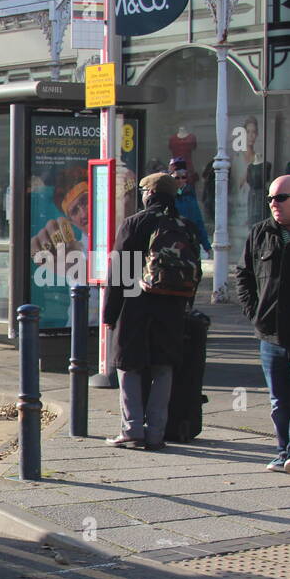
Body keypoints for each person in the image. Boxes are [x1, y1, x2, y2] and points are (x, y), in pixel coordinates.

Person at [103, 172, 201, 450]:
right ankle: (156, 432)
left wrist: (110, 314)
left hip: (135, 301)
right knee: (164, 365)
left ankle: (132, 429)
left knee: (128, 365)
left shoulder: (136, 223)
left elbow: (119, 271)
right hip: (173, 304)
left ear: (148, 195)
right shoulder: (186, 225)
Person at [235, 173, 290, 472]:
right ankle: (283, 452)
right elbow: (243, 274)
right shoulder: (260, 233)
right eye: (270, 197)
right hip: (270, 333)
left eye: (280, 198)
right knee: (279, 401)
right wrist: (253, 312)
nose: (273, 203)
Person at [170, 157, 211, 258]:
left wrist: (206, 246)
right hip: (171, 242)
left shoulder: (190, 195)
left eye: (183, 177)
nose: (180, 180)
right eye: (177, 177)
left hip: (189, 241)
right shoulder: (167, 195)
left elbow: (198, 221)